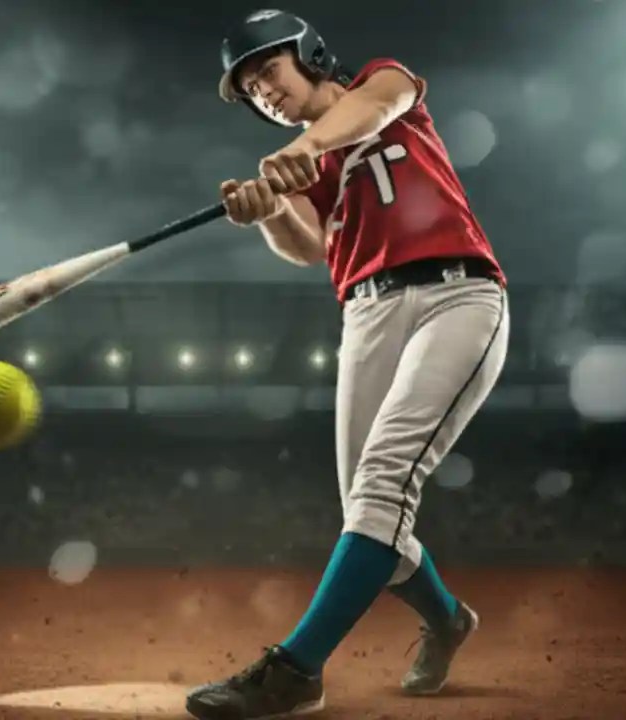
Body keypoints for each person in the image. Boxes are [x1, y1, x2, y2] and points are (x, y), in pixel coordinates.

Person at [185, 9, 511, 719]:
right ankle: (449, 619)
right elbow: (306, 246)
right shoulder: (311, 162)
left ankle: (297, 670)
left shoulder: (381, 83)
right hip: (365, 313)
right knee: (369, 513)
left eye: (268, 70)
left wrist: (299, 154)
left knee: (382, 490)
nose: (262, 92)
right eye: (250, 89)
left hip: (455, 295)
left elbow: (371, 111)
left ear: (309, 54)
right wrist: (267, 206)